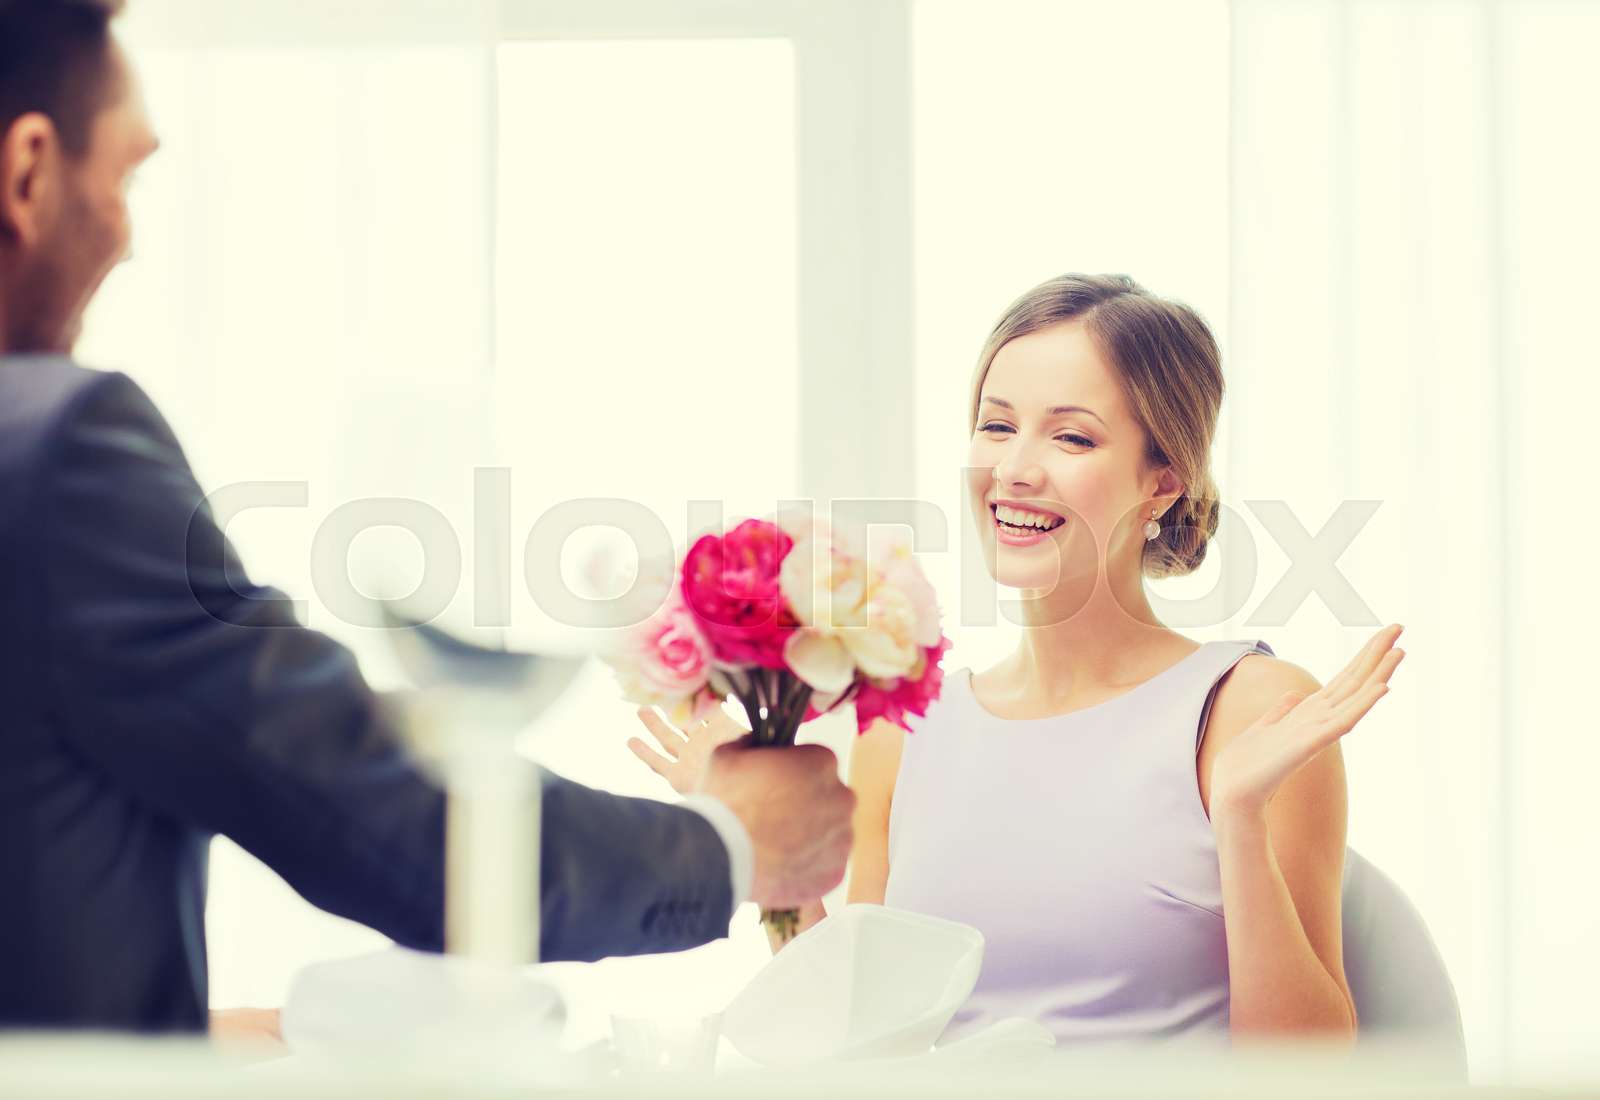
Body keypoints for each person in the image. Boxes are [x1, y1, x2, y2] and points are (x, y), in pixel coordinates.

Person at [0, 0, 855, 1034]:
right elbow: (367, 807)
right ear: (30, 171)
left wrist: (206, 1030)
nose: (128, 237)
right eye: (124, 178)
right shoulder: (60, 444)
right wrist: (729, 847)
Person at [630, 273, 1404, 1045]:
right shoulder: (902, 733)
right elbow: (850, 1048)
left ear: (1163, 482)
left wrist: (1236, 820)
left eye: (1071, 437)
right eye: (997, 427)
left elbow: (1308, 1077)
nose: (1014, 469)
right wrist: (766, 848)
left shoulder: (1246, 710)